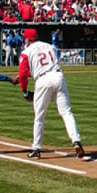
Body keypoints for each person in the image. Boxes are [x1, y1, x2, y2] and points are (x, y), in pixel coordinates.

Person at [16, 28, 86, 159]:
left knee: (39, 116)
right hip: (58, 76)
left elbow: (23, 74)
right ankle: (76, 140)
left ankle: (36, 148)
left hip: (43, 80)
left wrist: (24, 90)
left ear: (28, 39)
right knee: (66, 112)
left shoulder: (26, 52)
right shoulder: (49, 46)